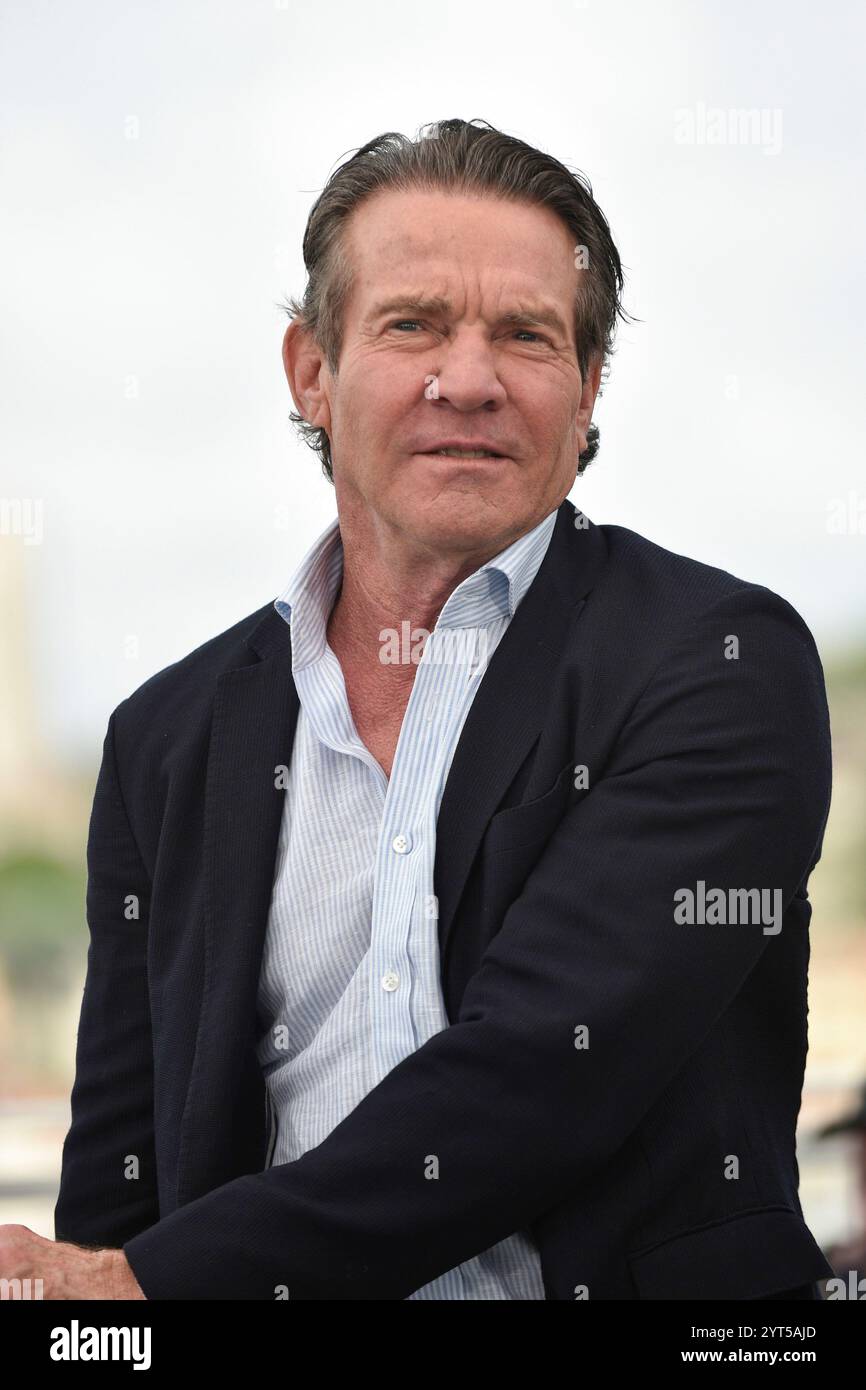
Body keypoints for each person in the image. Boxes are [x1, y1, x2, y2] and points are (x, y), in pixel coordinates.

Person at [21, 118, 835, 1298]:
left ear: (587, 383)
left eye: (526, 335)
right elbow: (121, 1169)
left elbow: (541, 1077)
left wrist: (159, 1285)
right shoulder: (167, 736)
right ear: (311, 368)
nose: (469, 378)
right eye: (411, 325)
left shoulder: (715, 663)